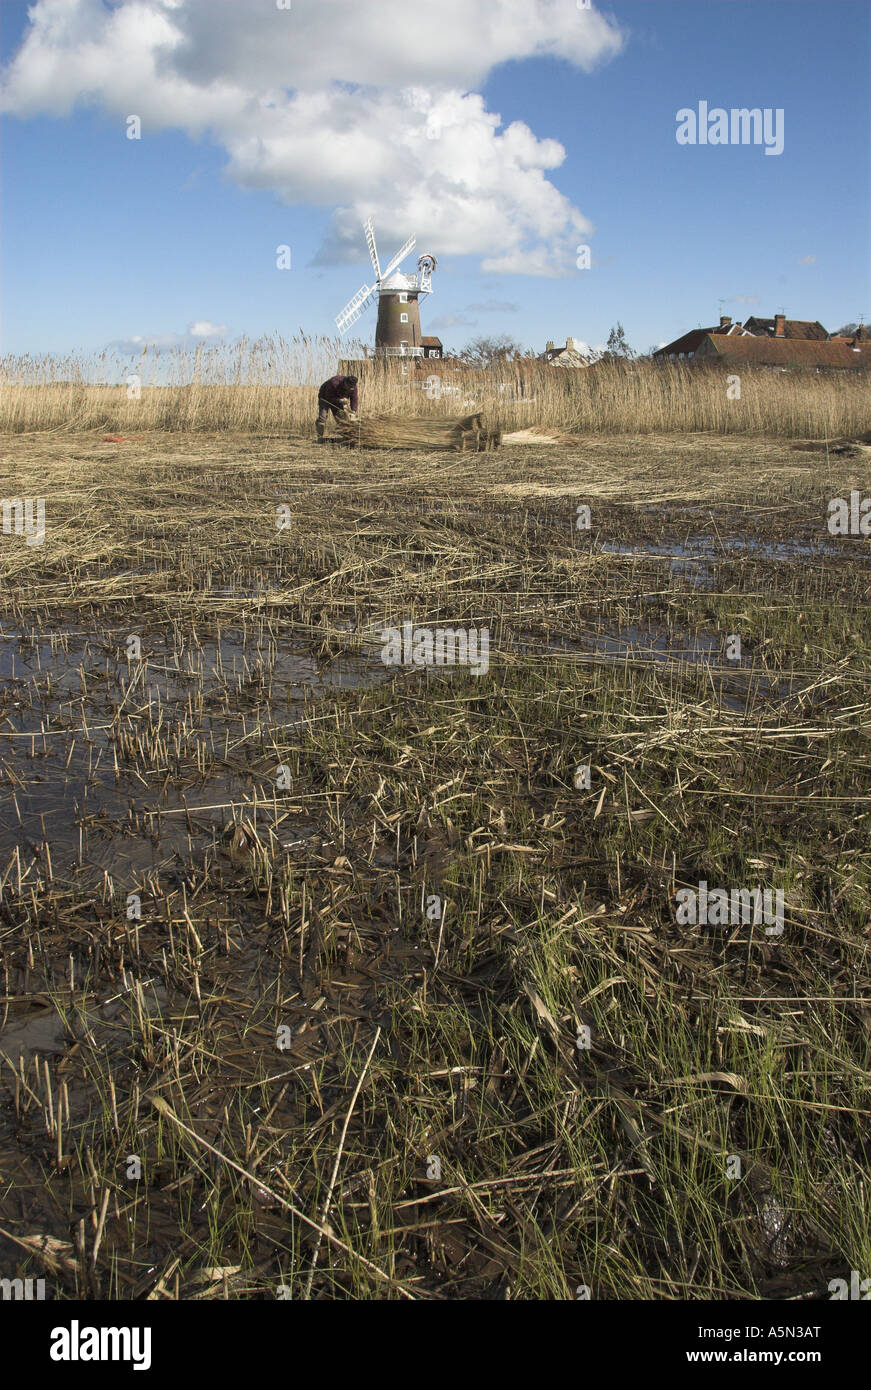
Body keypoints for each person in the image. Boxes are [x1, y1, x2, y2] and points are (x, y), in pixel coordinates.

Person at [316, 374, 359, 442]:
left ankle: (347, 438)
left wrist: (353, 411)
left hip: (339, 401)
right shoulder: (334, 383)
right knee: (322, 418)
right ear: (345, 383)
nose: (350, 389)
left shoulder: (353, 387)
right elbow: (328, 397)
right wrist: (339, 400)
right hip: (325, 398)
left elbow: (354, 399)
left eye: (352, 387)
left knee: (342, 420)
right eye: (349, 387)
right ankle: (320, 438)